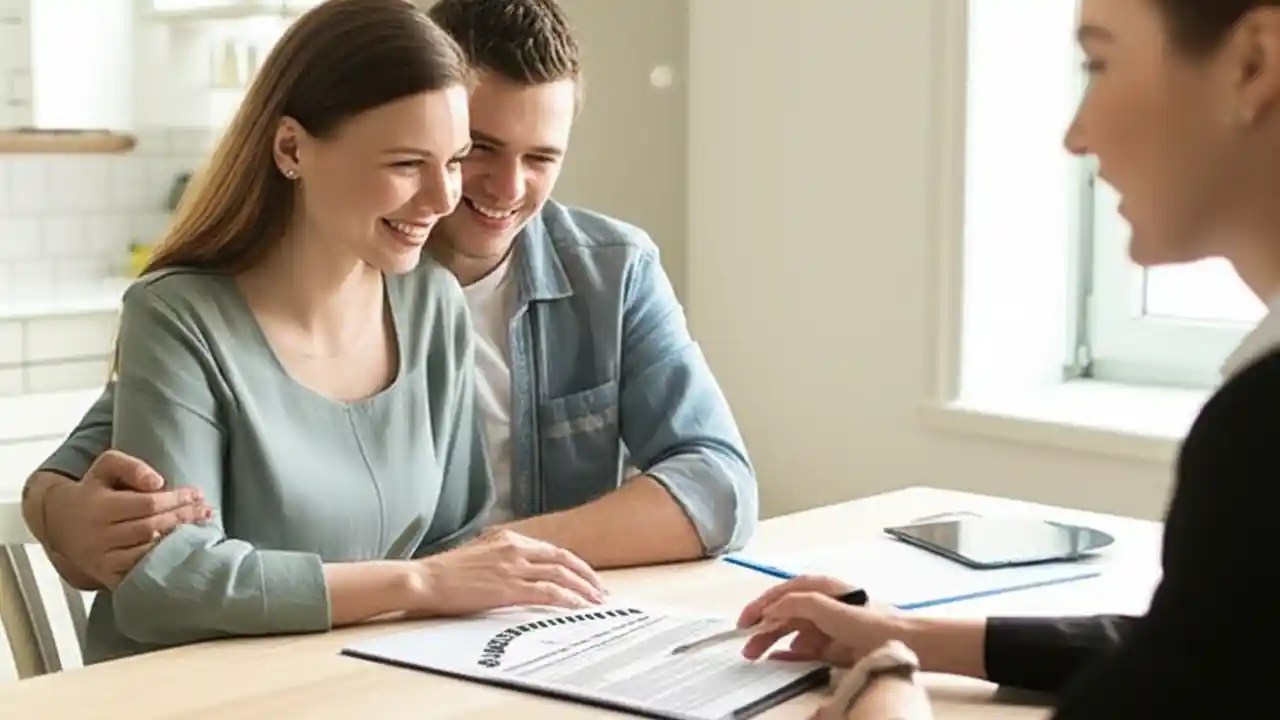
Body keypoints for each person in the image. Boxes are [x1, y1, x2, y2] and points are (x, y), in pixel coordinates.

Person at [20, 0, 757, 593]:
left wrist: (493, 555)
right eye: (479, 151)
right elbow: (94, 462)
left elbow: (720, 483)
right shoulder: (311, 271)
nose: (502, 189)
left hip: (485, 617)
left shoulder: (610, 270)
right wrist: (57, 512)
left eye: (541, 159)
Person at [735, 0, 1280, 717]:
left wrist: (886, 685)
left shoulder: (1260, 432)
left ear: (1254, 63)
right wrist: (902, 631)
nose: (1075, 135)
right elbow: (1213, 650)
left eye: (1099, 62)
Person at [58, 0, 608, 665]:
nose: (442, 199)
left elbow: (457, 540)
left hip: (364, 679)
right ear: (292, 148)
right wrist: (418, 584)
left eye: (454, 161)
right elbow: (166, 585)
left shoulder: (431, 304)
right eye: (407, 164)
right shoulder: (177, 317)